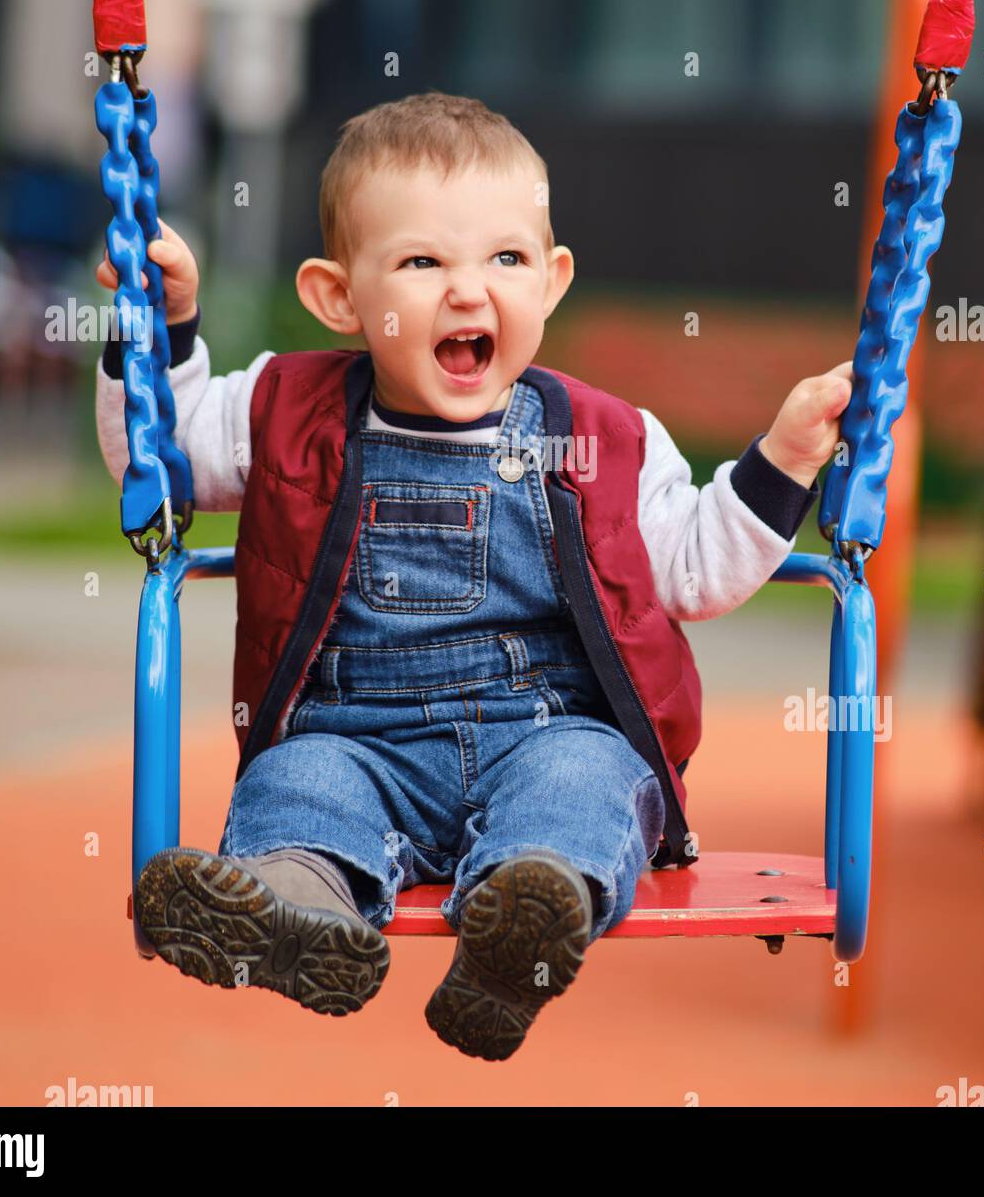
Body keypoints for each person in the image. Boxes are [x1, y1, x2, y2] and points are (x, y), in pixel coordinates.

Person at [96, 90, 852, 1061]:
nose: (467, 289)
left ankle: (522, 924)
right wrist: (161, 325)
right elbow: (159, 460)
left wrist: (784, 457)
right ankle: (291, 913)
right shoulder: (287, 408)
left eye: (505, 258)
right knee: (296, 788)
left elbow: (694, 570)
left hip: (547, 736)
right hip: (354, 744)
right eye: (422, 261)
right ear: (338, 295)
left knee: (587, 783)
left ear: (550, 279)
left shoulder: (604, 439)